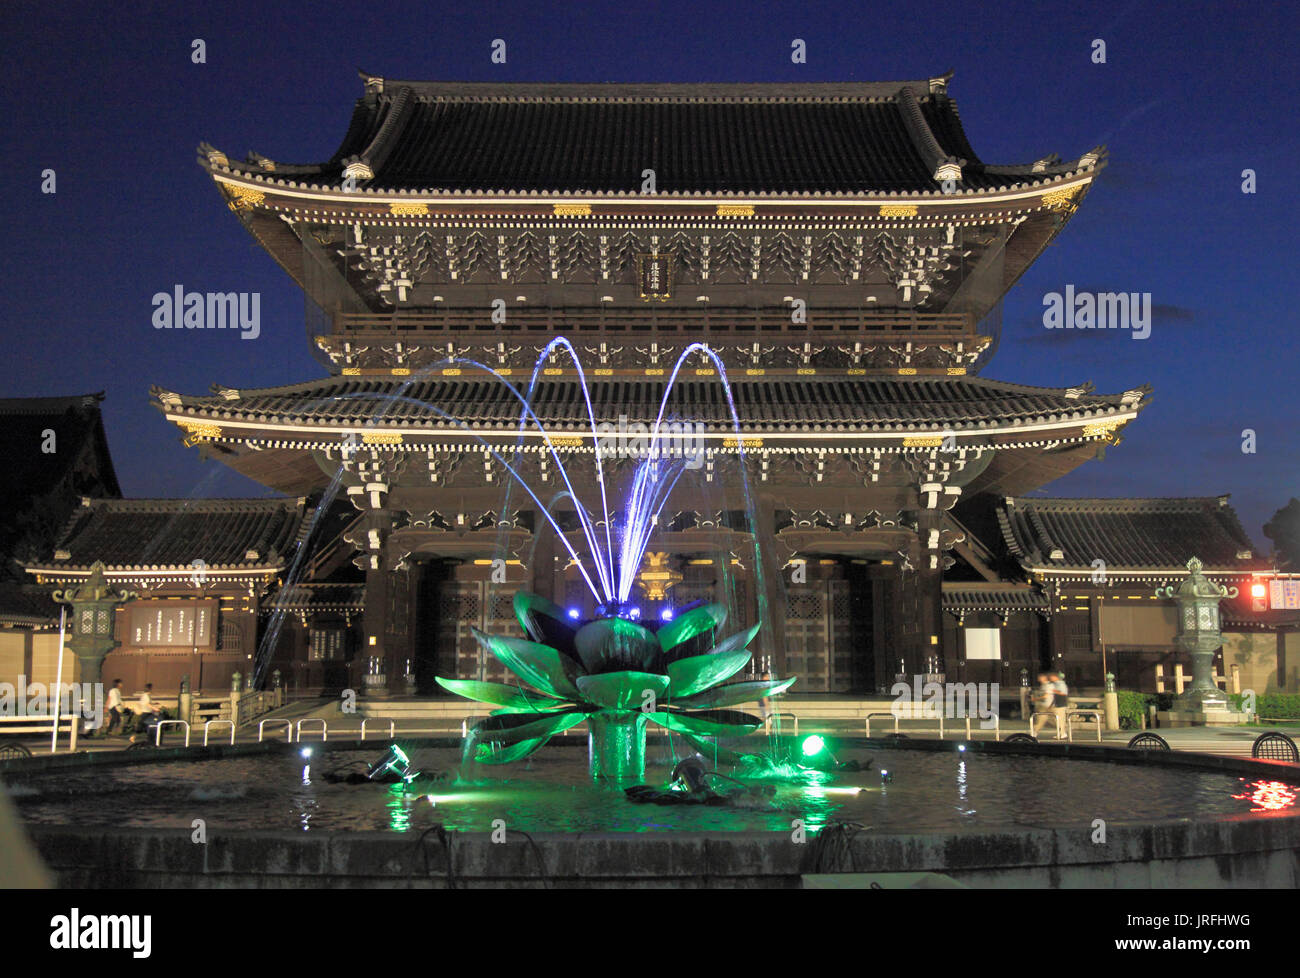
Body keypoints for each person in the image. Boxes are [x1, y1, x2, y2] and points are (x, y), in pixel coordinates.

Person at [1029, 672, 1056, 738]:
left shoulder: (1048, 685)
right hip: (1045, 705)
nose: (1039, 679)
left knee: (1041, 720)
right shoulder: (1043, 685)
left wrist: (1035, 699)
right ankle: (1063, 730)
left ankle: (1034, 733)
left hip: (1047, 706)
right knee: (1047, 720)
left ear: (1044, 678)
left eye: (1040, 677)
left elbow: (1046, 696)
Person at [1050, 670, 1070, 740]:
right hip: (1058, 704)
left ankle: (1063, 734)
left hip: (1061, 704)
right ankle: (1060, 733)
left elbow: (1064, 693)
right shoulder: (1057, 684)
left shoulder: (1061, 684)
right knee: (1058, 720)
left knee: (1061, 720)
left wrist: (1054, 691)